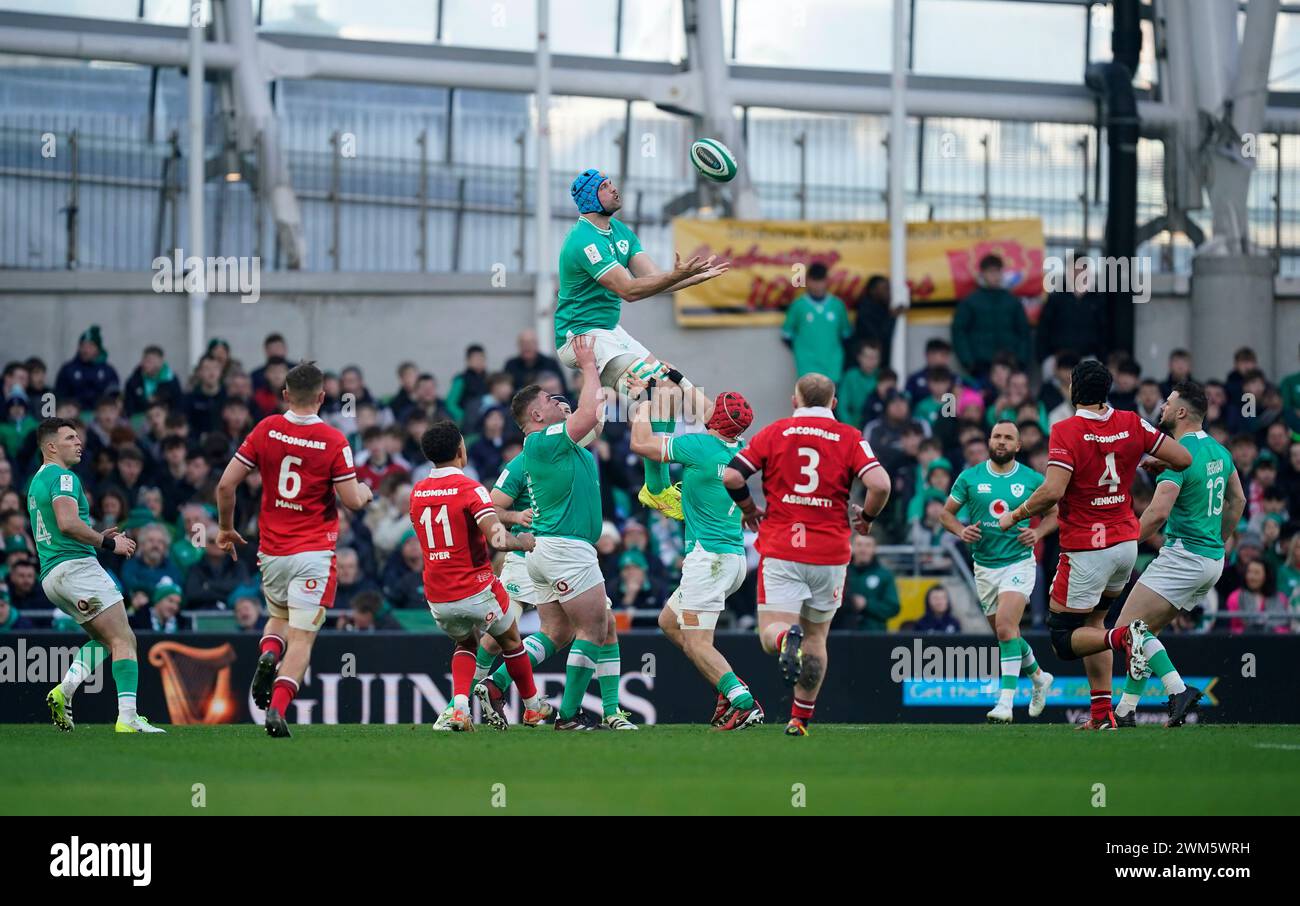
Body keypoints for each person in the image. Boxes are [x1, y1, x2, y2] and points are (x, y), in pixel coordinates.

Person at [996, 359, 1192, 729]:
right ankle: (1102, 714)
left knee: (1063, 637)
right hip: (1125, 544)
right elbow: (1182, 458)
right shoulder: (1132, 422)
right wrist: (1151, 463)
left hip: (1087, 549)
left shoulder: (1067, 430)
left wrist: (1016, 514)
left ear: (1073, 389)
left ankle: (1126, 637)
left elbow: (1053, 491)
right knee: (1095, 622)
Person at [723, 373, 892, 736]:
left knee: (772, 631)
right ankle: (800, 718)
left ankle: (786, 640)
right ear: (833, 403)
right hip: (830, 553)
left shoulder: (775, 432)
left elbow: (733, 477)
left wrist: (750, 510)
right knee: (817, 638)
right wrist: (867, 517)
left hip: (783, 547)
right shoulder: (850, 437)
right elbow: (880, 484)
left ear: (794, 400)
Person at [553, 168, 726, 521]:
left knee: (679, 390)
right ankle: (658, 488)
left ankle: (715, 454)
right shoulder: (583, 241)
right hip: (582, 335)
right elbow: (630, 291)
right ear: (588, 197)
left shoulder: (620, 232)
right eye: (605, 186)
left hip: (610, 331)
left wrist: (690, 278)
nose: (615, 189)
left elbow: (653, 279)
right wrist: (678, 276)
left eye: (613, 182)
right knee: (657, 391)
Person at [214, 361, 374, 739]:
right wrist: (366, 492)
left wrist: (224, 529)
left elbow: (225, 486)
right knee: (302, 638)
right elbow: (351, 500)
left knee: (278, 617)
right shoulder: (335, 440)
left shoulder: (266, 428)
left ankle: (270, 650)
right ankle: (277, 710)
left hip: (272, 552)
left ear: (284, 395)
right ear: (322, 397)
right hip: (314, 553)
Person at [513, 335, 633, 730]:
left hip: (551, 549)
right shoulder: (544, 440)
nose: (555, 401)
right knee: (594, 628)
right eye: (548, 401)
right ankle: (568, 716)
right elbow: (589, 412)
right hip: (565, 547)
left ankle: (498, 684)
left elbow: (592, 419)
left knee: (563, 630)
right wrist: (588, 363)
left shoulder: (561, 444)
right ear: (536, 416)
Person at [630, 381, 763, 730]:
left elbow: (641, 444)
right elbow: (711, 412)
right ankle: (725, 687)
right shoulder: (741, 448)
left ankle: (742, 699)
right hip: (732, 560)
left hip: (709, 559)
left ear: (714, 421)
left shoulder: (700, 446)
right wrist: (676, 379)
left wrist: (642, 405)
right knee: (668, 623)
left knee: (697, 641)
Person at [1116, 382, 1244, 725]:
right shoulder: (1220, 451)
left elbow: (1157, 513)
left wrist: (1123, 545)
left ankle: (1177, 689)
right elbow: (1239, 501)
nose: (1162, 408)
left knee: (1127, 628)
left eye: (1168, 403)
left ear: (1182, 412)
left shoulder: (1178, 455)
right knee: (1146, 634)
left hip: (1183, 555)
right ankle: (1126, 710)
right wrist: (1217, 540)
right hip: (1210, 560)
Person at [26, 418, 163, 732]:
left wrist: (93, 535)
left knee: (104, 640)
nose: (79, 443)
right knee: (124, 638)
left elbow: (62, 527)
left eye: (78, 437)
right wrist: (108, 542)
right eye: (70, 438)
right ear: (50, 446)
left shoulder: (37, 481)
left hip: (52, 576)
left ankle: (65, 691)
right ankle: (128, 718)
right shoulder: (63, 477)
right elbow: (67, 523)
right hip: (76, 568)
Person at [408, 420, 543, 732]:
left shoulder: (417, 492)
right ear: (460, 450)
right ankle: (533, 707)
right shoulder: (470, 489)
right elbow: (497, 538)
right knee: (510, 639)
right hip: (476, 587)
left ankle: (458, 708)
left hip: (438, 594)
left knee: (465, 644)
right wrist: (521, 541)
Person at [940, 421, 1056, 723]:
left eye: (1008, 438)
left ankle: (1005, 703)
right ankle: (1040, 678)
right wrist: (960, 530)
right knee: (1007, 634)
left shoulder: (1032, 479)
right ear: (990, 441)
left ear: (1018, 446)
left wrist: (1039, 533)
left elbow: (1056, 514)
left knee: (1006, 626)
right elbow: (945, 514)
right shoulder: (970, 477)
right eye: (997, 436)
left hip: (1018, 562)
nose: (1001, 442)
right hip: (984, 567)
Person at [951, 254, 1032, 380]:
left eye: (997, 271)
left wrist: (1021, 361)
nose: (994, 276)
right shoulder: (970, 301)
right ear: (982, 274)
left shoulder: (1012, 301)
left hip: (1010, 365)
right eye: (990, 272)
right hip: (981, 366)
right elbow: (959, 331)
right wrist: (969, 362)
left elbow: (1024, 333)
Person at [782, 261, 852, 384]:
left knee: (831, 401)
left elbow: (846, 335)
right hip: (807, 367)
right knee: (810, 401)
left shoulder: (837, 305)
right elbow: (787, 335)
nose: (817, 285)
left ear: (826, 281)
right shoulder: (798, 305)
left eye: (820, 281)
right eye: (814, 281)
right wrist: (802, 352)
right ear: (807, 281)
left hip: (832, 367)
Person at [836, 534, 899, 631]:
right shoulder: (840, 572)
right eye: (859, 545)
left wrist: (867, 604)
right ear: (851, 547)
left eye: (868, 545)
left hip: (874, 634)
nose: (863, 550)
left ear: (874, 549)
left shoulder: (884, 575)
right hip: (842, 632)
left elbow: (893, 607)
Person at [54, 325, 121, 412]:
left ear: (98, 348)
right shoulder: (68, 370)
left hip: (102, 416)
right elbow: (60, 397)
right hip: (73, 417)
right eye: (83, 346)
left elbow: (113, 398)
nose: (86, 350)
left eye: (90, 346)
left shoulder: (108, 371)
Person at [849, 274, 897, 368]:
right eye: (885, 288)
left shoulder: (883, 308)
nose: (889, 292)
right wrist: (892, 317)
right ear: (872, 291)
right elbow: (879, 336)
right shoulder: (865, 310)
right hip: (865, 367)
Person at [123, 345, 182, 417]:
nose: (145, 364)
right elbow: (129, 408)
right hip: (140, 422)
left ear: (160, 362)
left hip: (166, 422)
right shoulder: (134, 380)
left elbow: (178, 406)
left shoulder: (171, 380)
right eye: (144, 359)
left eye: (150, 360)